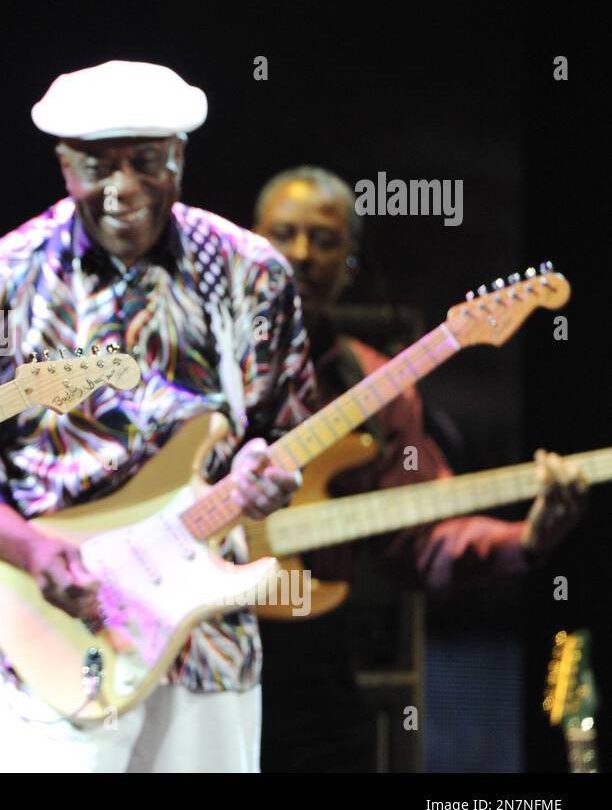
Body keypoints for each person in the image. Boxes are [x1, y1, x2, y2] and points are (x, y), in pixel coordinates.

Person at [0, 61, 315, 772]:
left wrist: (270, 471)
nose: (122, 189)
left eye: (147, 163)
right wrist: (36, 551)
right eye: (96, 166)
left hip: (206, 638)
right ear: (63, 165)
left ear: (180, 157)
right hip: (55, 632)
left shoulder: (255, 275)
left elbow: (281, 432)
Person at [252, 165, 588, 771]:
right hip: (187, 650)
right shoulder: (198, 360)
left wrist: (528, 539)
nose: (301, 255)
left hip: (309, 665)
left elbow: (423, 533)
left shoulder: (378, 385)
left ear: (350, 261)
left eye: (324, 240)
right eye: (284, 234)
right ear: (253, 246)